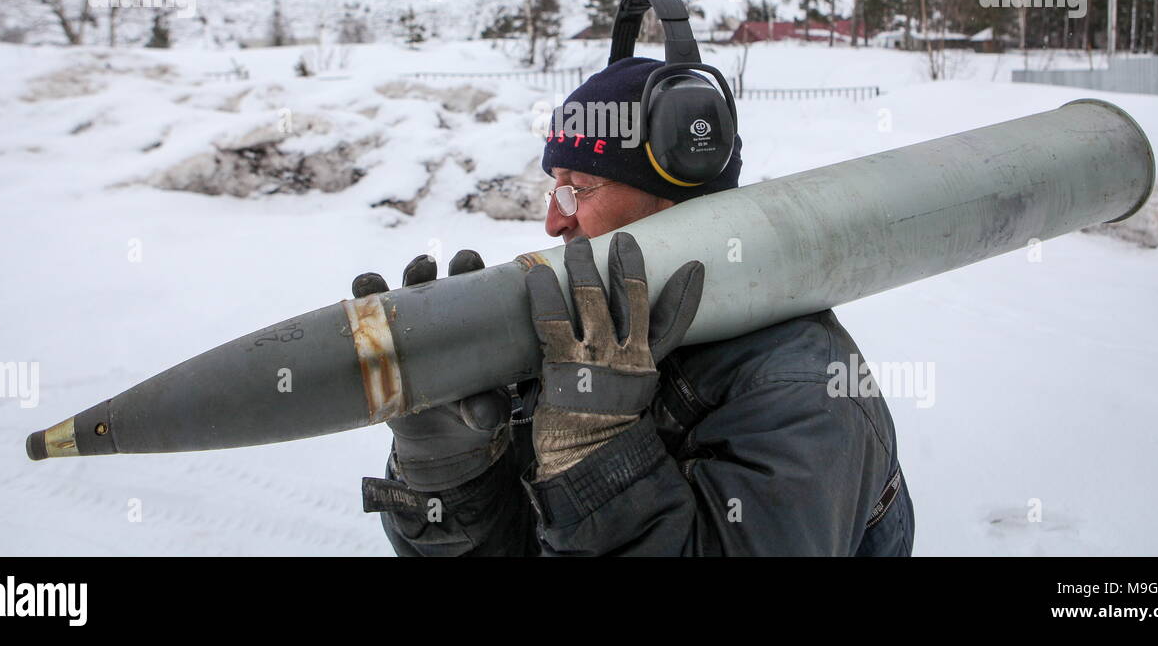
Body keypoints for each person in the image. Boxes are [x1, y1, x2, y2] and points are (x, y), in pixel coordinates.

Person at [359, 56, 914, 556]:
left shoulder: (802, 390)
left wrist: (597, 459)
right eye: (555, 188)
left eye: (582, 187)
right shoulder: (581, 334)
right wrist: (453, 475)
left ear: (679, 205)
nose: (554, 221)